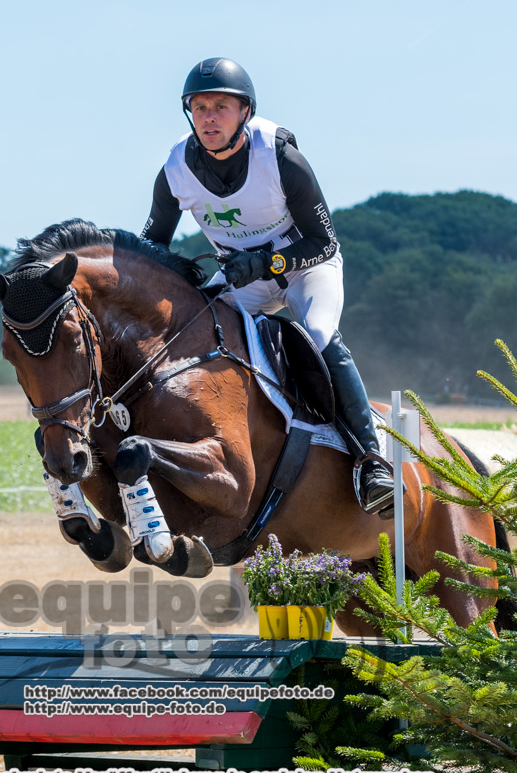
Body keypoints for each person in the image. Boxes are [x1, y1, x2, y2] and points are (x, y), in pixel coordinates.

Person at [142, 58, 395, 515]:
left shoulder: (279, 157)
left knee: (317, 335)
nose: (209, 118)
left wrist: (264, 261)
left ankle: (371, 460)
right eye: (199, 108)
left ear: (245, 112)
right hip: (242, 277)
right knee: (192, 331)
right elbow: (152, 246)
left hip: (305, 265)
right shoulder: (177, 168)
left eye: (221, 107)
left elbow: (323, 242)